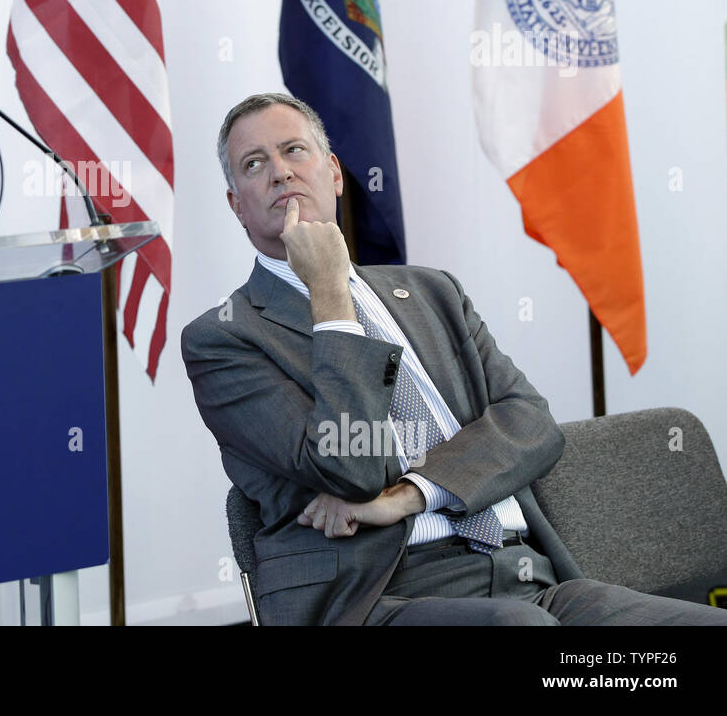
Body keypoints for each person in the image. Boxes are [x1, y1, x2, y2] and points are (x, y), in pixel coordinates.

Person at [182, 91, 727, 626]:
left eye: (294, 151)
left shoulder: (431, 291)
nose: (280, 172)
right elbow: (348, 468)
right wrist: (329, 295)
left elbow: (531, 423)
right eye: (254, 164)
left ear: (334, 174)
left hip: (528, 575)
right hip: (377, 594)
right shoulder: (223, 338)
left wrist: (411, 494)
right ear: (236, 205)